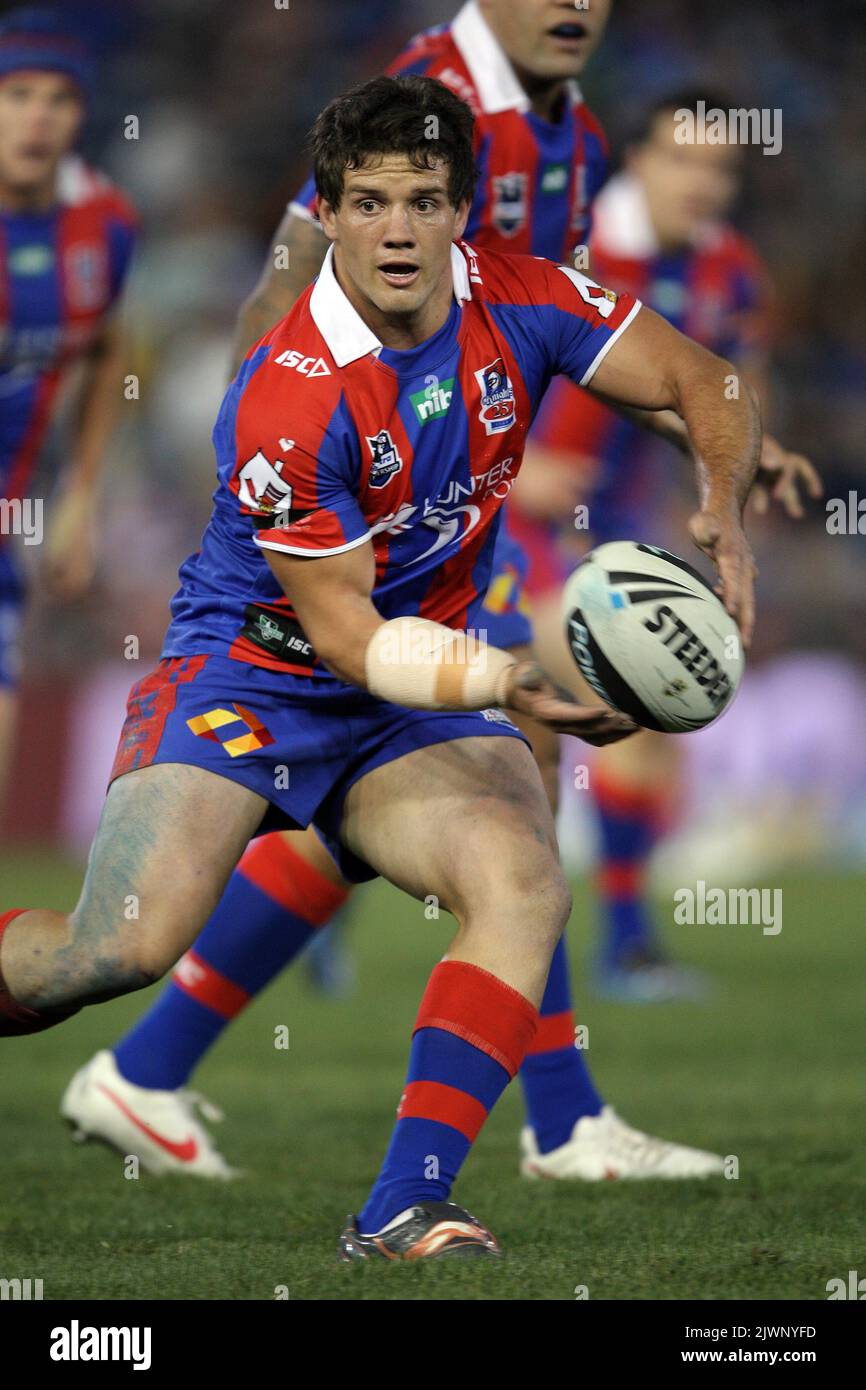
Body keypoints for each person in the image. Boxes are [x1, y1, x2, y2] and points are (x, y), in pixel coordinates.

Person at [1, 75, 764, 1259]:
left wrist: (718, 504)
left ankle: (406, 1202)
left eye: (422, 200)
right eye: (366, 202)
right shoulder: (289, 394)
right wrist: (506, 681)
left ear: (463, 209)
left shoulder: (523, 293)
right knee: (113, 953)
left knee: (518, 879)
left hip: (409, 700)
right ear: (333, 211)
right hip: (252, 675)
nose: (396, 229)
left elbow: (704, 381)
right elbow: (350, 640)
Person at [508, 89, 823, 999]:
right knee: (609, 714)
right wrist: (516, 457)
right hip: (506, 518)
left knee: (649, 720)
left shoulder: (730, 269)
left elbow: (732, 397)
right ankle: (601, 956)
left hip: (607, 531)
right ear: (637, 160)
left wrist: (762, 457)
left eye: (721, 165)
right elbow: (459, 353)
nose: (703, 181)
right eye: (682, 158)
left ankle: (614, 952)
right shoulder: (565, 249)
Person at [0, 7, 137, 811]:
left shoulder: (106, 225)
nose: (38, 116)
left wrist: (82, 494)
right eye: (17, 93)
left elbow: (106, 348)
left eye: (58, 97)